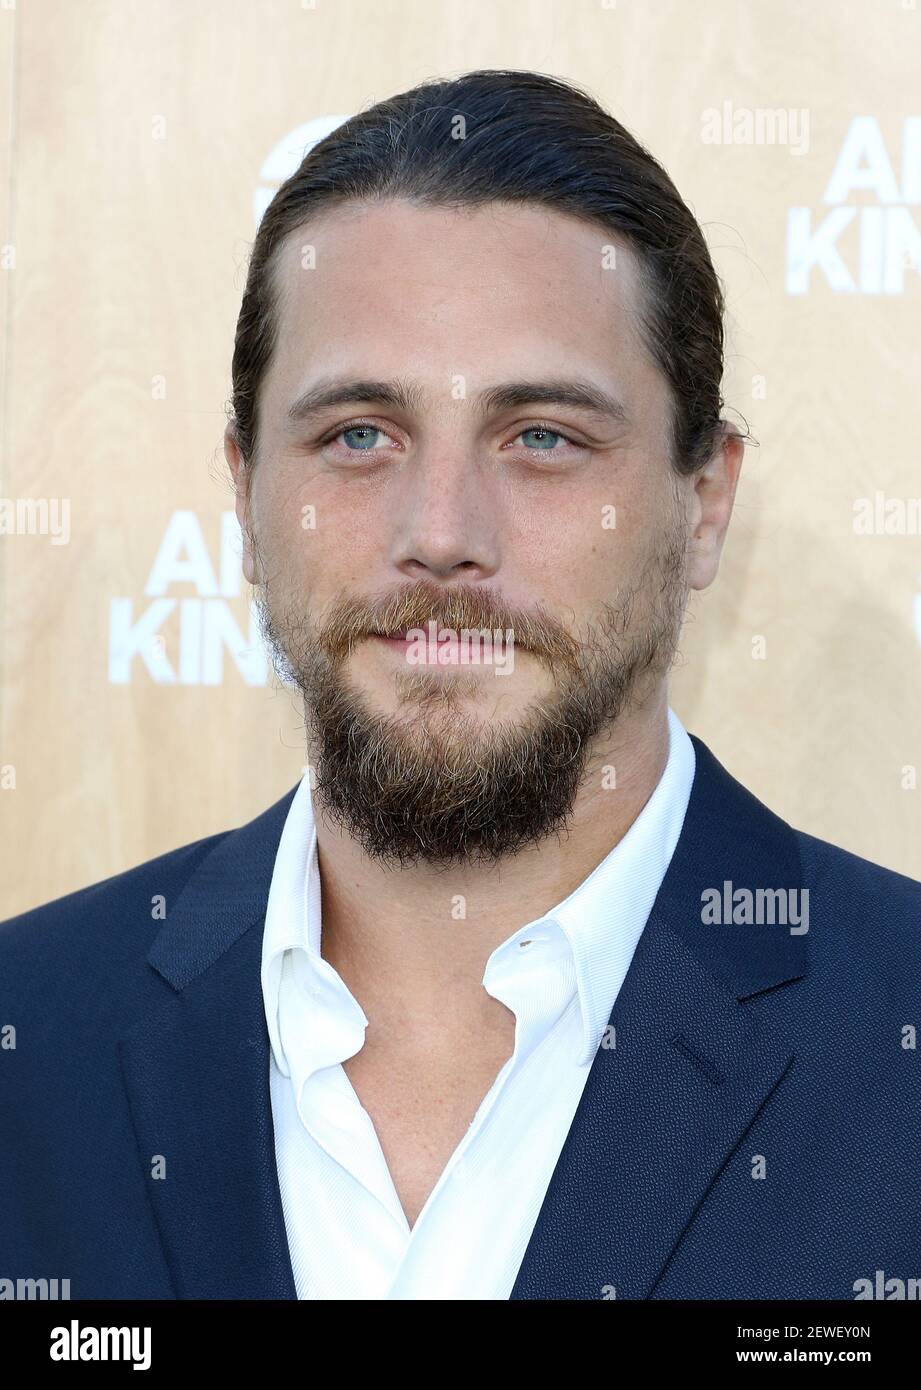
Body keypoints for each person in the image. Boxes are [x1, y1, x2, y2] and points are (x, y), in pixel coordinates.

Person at [1, 69, 918, 1302]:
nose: (441, 533)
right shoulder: (30, 1036)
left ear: (705, 504)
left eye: (542, 436)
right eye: (359, 435)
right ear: (245, 492)